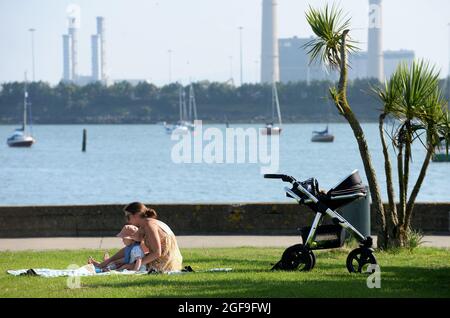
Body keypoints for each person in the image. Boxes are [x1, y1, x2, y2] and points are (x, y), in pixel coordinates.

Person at [96, 202, 183, 272]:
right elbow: (129, 248)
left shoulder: (149, 225)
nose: (127, 220)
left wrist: (135, 265)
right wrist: (109, 260)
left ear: (136, 214)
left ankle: (105, 265)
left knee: (124, 266)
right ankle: (105, 264)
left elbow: (157, 252)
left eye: (128, 216)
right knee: (125, 262)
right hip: (173, 263)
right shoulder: (147, 224)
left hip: (165, 265)